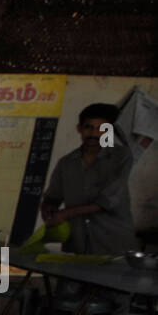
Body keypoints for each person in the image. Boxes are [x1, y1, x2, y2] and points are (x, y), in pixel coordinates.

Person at [41, 102, 137, 255]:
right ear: (79, 128)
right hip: (77, 242)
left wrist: (65, 213)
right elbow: (52, 197)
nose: (94, 133)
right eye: (88, 127)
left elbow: (108, 201)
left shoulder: (121, 157)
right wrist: (48, 209)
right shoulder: (66, 162)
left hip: (113, 241)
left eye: (101, 129)